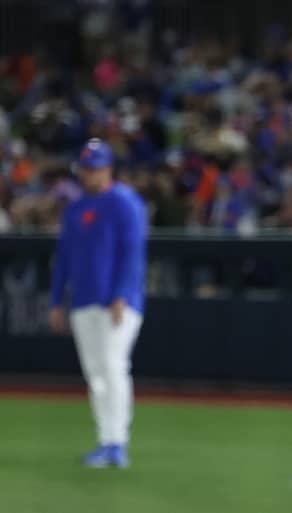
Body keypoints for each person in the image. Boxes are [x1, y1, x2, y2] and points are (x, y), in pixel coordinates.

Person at [49, 138, 147, 468]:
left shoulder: (125, 202)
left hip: (118, 301)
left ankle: (118, 442)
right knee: (95, 373)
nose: (88, 174)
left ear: (108, 168)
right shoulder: (75, 208)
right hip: (83, 300)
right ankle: (106, 440)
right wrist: (55, 300)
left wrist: (121, 294)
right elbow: (63, 257)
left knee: (113, 365)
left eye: (94, 168)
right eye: (85, 168)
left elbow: (133, 253)